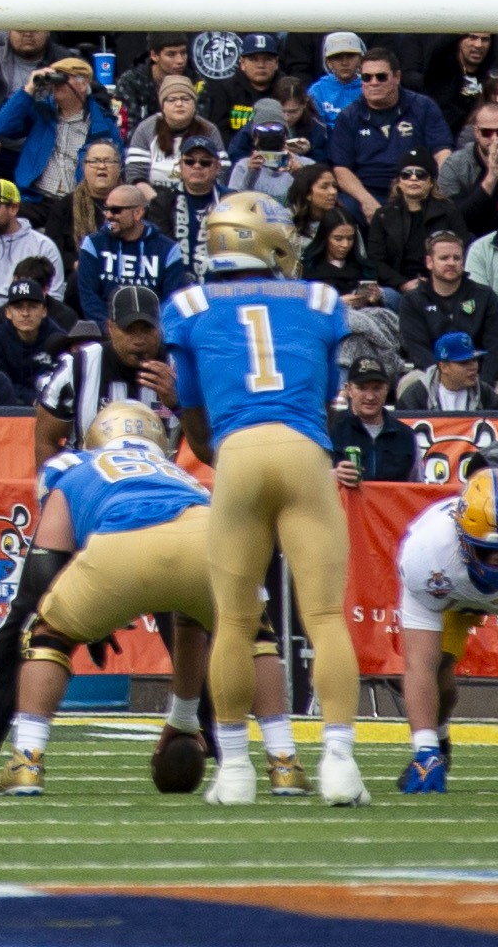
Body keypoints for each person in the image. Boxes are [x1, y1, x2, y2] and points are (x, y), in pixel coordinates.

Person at [157, 191, 365, 807]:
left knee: (236, 621)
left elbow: (192, 415)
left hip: (239, 453)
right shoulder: (321, 300)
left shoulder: (188, 305)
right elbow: (326, 394)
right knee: (324, 618)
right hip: (304, 451)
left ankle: (237, 771)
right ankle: (339, 765)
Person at [0, 399, 218, 801]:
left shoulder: (71, 464)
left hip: (118, 546)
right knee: (250, 638)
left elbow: (45, 563)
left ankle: (27, 760)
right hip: (202, 540)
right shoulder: (181, 474)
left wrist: (77, 614)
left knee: (47, 636)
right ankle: (280, 763)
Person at [388, 457, 498, 793]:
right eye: (485, 551)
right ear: (461, 536)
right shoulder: (427, 552)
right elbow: (419, 666)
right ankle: (434, 747)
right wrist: (424, 748)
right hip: (455, 589)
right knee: (435, 666)